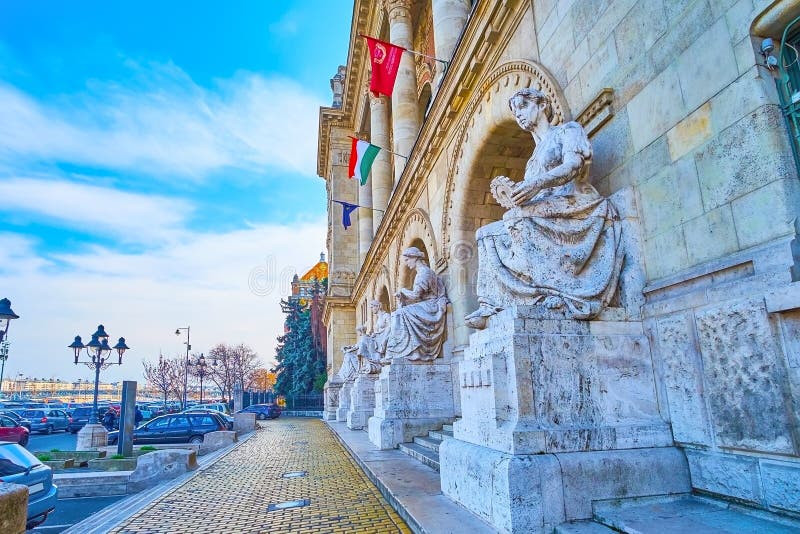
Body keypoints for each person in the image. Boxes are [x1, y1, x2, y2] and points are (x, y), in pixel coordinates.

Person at [464, 87, 622, 328]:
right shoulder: (532, 159)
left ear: (542, 105)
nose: (519, 115)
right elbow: (534, 195)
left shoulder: (566, 131)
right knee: (485, 233)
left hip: (576, 202)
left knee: (518, 218)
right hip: (548, 209)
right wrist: (518, 196)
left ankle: (554, 291)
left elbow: (573, 166)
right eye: (515, 111)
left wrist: (536, 185)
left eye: (523, 106)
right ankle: (492, 303)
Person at [385, 247, 448, 362]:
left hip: (433, 306)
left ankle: (404, 349)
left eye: (407, 260)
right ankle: (401, 349)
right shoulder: (422, 272)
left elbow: (416, 296)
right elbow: (418, 297)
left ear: (414, 258)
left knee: (401, 314)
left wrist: (403, 291)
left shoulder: (424, 272)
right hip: (428, 304)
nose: (406, 263)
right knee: (398, 313)